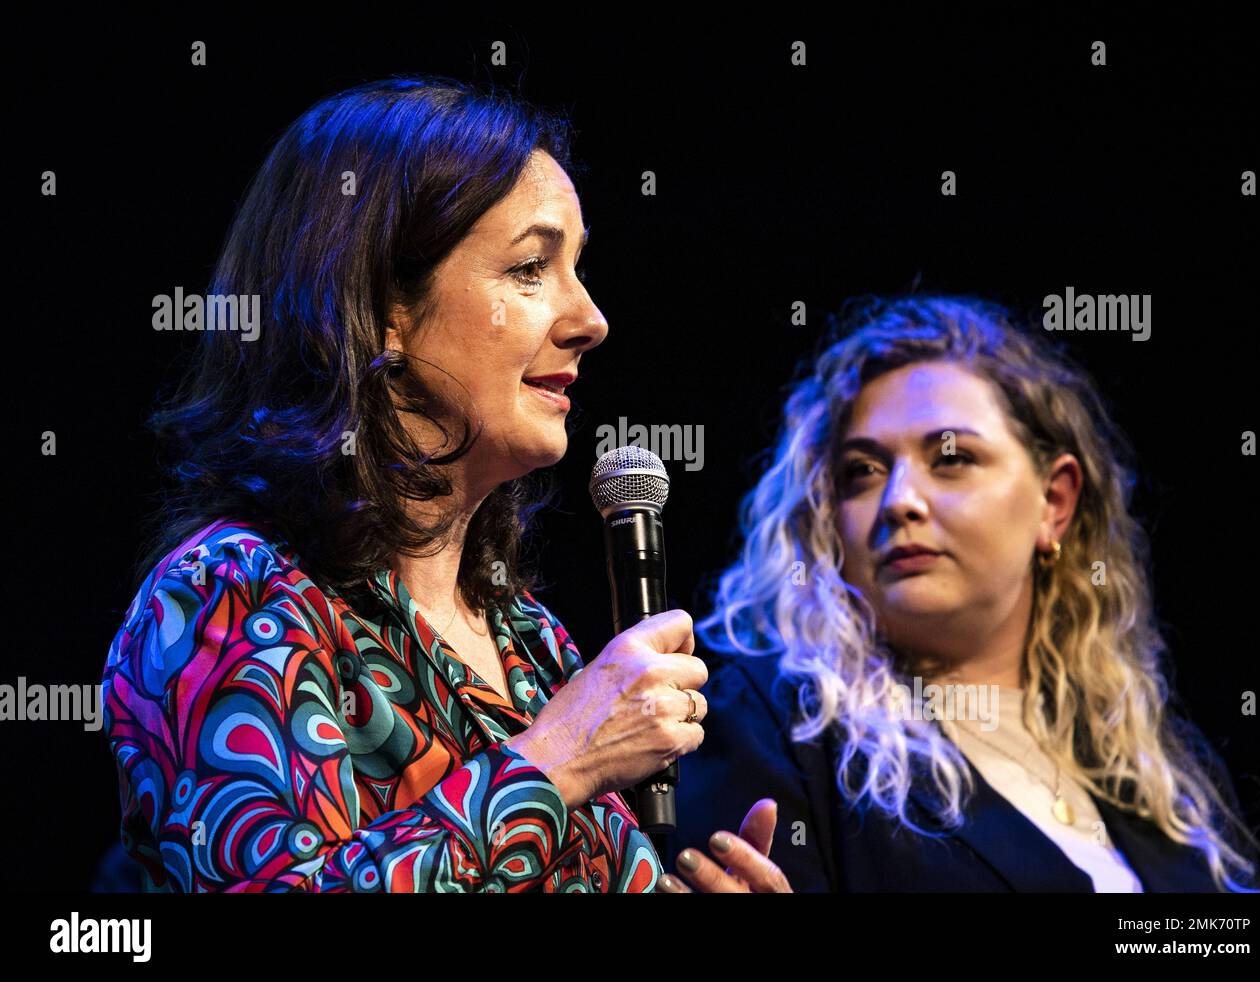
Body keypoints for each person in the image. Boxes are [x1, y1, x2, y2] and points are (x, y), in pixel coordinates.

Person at [101, 76, 787, 893]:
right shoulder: (230, 594)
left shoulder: (532, 645)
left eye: (578, 266)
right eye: (531, 268)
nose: (590, 318)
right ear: (385, 304)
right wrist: (557, 760)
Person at [667, 293, 1260, 893]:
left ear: (1055, 502)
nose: (900, 500)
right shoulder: (775, 729)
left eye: (951, 458)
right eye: (862, 471)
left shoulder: (1141, 773)